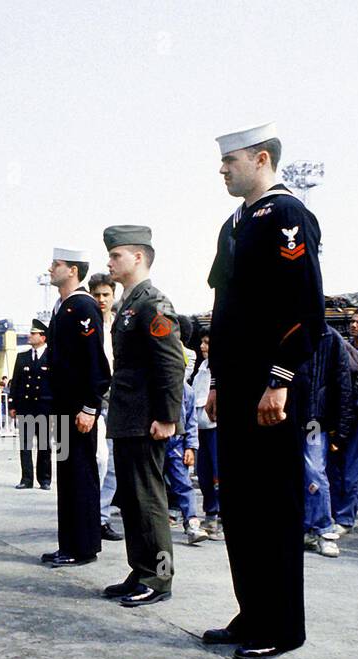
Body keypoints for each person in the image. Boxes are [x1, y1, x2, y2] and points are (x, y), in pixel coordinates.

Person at [201, 122, 325, 659]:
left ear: (262, 158)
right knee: (244, 504)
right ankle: (252, 610)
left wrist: (281, 379)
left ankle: (280, 624)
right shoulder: (237, 222)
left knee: (273, 505)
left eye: (232, 160)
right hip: (237, 386)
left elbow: (304, 308)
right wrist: (220, 383)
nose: (223, 169)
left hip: (271, 387)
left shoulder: (285, 215)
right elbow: (229, 313)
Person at [101, 225, 184, 606]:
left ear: (138, 257)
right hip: (128, 417)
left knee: (150, 500)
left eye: (116, 255)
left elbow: (170, 364)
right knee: (132, 500)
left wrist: (168, 416)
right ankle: (141, 569)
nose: (110, 261)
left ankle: (160, 577)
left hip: (148, 419)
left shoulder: (154, 303)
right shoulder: (132, 304)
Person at [40, 247, 111, 568]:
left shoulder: (83, 305)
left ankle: (83, 546)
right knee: (67, 476)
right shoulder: (63, 307)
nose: (51, 268)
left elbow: (96, 363)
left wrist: (90, 407)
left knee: (81, 475)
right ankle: (68, 543)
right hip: (63, 408)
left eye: (57, 264)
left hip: (78, 410)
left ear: (72, 270)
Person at [297, 323, 354, 558]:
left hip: (313, 418)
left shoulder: (329, 337)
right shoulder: (293, 330)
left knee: (314, 472)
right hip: (289, 414)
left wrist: (341, 429)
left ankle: (323, 529)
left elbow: (343, 383)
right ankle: (308, 528)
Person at [89, 272, 123, 542]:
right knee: (97, 460)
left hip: (118, 399)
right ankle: (88, 516)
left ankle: (101, 518)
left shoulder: (122, 322)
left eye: (105, 295)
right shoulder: (87, 325)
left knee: (111, 463)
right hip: (93, 399)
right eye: (97, 295)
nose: (101, 300)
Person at [164, 353, 208, 546]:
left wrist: (190, 447)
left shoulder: (187, 391)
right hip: (155, 443)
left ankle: (191, 522)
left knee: (183, 484)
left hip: (176, 445)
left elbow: (191, 422)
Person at [9, 318, 53, 489]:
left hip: (44, 407)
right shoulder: (22, 357)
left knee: (44, 444)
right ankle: (26, 479)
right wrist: (12, 405)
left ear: (43, 337)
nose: (30, 335)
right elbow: (16, 383)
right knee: (25, 444)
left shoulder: (52, 357)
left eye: (33, 333)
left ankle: (45, 479)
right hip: (26, 407)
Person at [191, 330, 221, 537]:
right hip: (200, 428)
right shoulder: (201, 368)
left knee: (219, 473)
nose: (203, 347)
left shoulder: (219, 369)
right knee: (204, 473)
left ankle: (219, 516)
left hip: (215, 430)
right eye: (202, 342)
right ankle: (210, 513)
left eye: (208, 343)